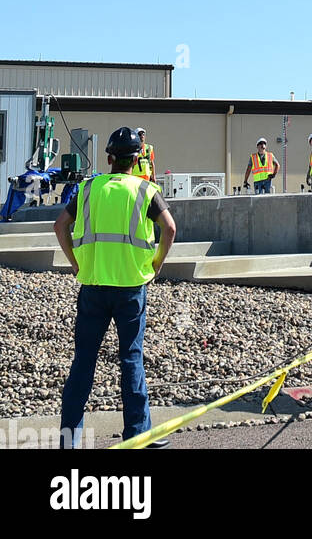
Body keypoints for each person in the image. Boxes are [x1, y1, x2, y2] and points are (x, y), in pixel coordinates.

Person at [54, 126, 176, 448]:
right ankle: (138, 435)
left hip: (93, 286)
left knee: (83, 361)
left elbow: (60, 226)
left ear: (108, 157)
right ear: (137, 160)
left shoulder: (88, 189)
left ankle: (69, 440)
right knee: (131, 359)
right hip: (131, 288)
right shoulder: (145, 191)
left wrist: (75, 263)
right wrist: (157, 264)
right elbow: (170, 228)